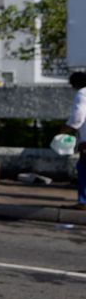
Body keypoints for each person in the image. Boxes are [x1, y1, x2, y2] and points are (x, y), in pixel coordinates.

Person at [61, 71, 86, 210]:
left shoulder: (83, 93)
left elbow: (78, 117)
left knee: (83, 169)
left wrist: (65, 128)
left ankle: (83, 202)